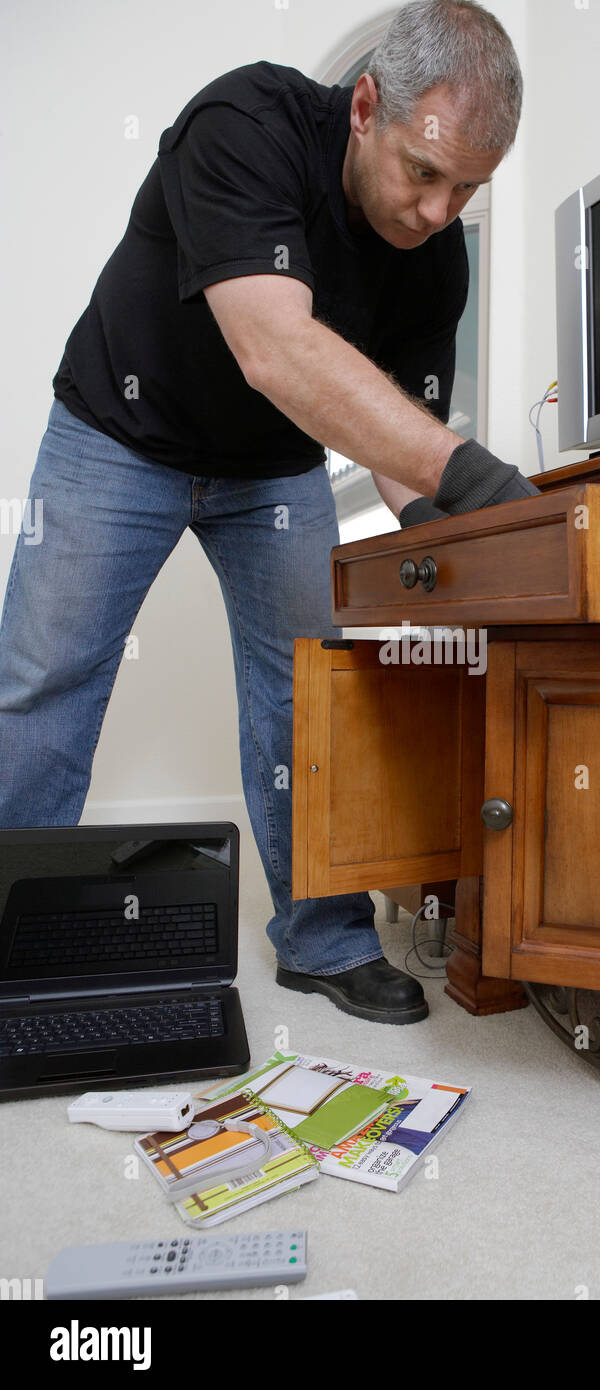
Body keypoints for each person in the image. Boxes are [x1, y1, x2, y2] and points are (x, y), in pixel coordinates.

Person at [0, 0, 537, 1025]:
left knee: (310, 697)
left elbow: (402, 451)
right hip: (118, 432)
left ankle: (324, 936)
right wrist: (478, 475)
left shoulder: (436, 254)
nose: (435, 210)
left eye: (466, 188)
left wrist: (480, 558)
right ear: (364, 107)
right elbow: (273, 348)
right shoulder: (244, 122)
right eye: (422, 172)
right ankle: (10, 937)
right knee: (43, 677)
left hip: (272, 473)